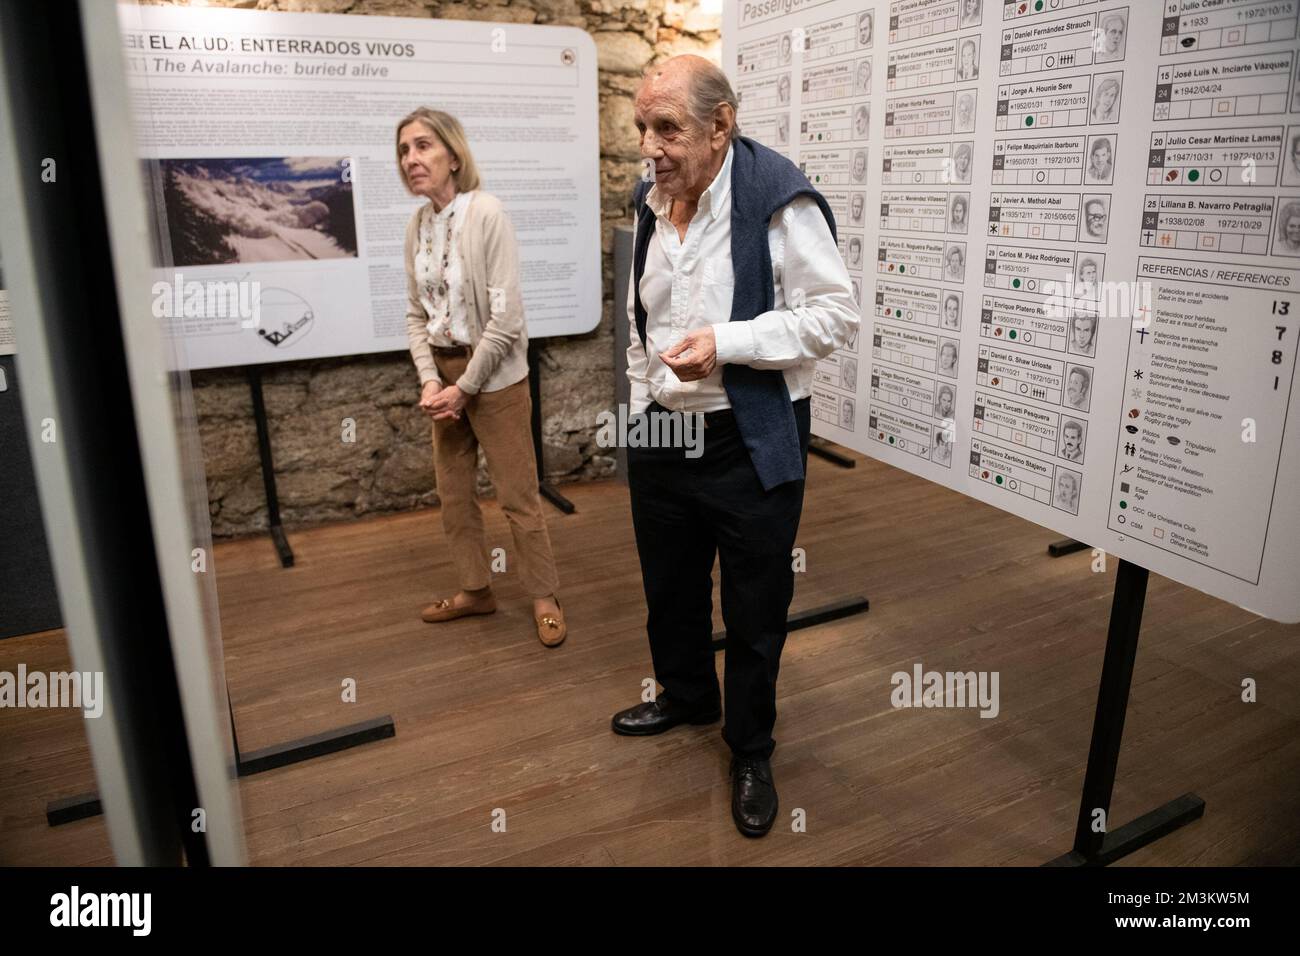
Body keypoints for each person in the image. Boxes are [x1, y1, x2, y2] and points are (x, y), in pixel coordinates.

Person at [616, 55, 859, 838]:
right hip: (663, 430)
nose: (649, 147)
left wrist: (728, 340)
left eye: (667, 129)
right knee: (670, 585)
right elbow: (639, 322)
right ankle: (688, 696)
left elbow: (834, 317)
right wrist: (639, 400)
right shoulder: (649, 202)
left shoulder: (779, 200)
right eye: (641, 128)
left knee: (755, 607)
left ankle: (751, 748)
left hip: (745, 437)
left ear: (721, 126)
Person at [398, 108, 566, 647]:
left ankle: (544, 594)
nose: (411, 159)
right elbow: (414, 315)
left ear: (452, 154)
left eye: (423, 146)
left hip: (492, 376)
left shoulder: (487, 213)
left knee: (518, 494)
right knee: (454, 494)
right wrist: (430, 382)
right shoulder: (417, 225)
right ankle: (476, 589)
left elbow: (508, 320)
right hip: (443, 377)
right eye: (404, 151)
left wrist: (464, 387)